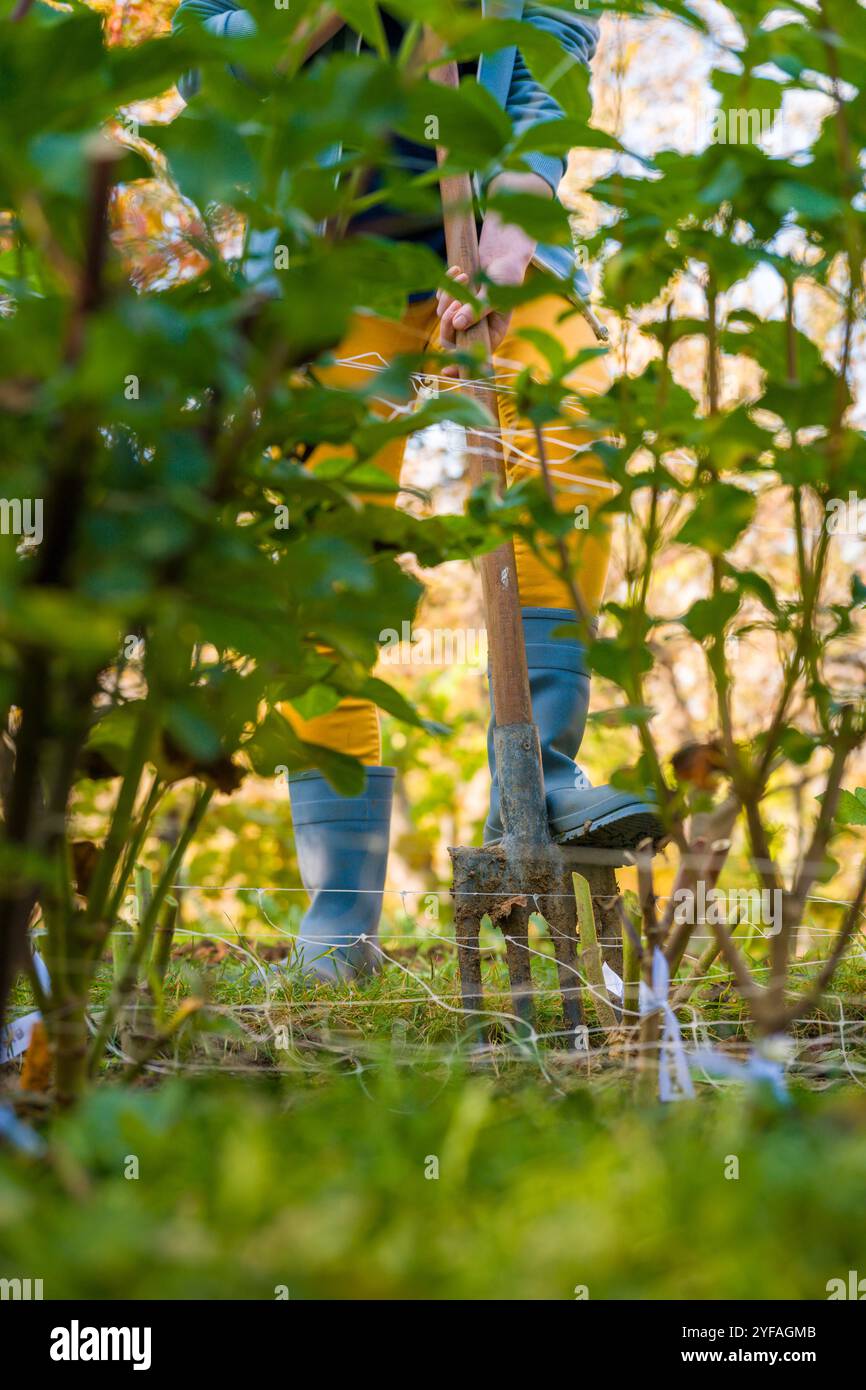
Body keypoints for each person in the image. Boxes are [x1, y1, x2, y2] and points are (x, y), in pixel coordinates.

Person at [173, 1, 663, 979]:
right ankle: (340, 911)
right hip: (328, 264)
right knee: (317, 543)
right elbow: (204, 61)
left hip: (487, 250)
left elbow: (552, 44)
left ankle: (537, 785)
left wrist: (514, 213)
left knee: (568, 445)